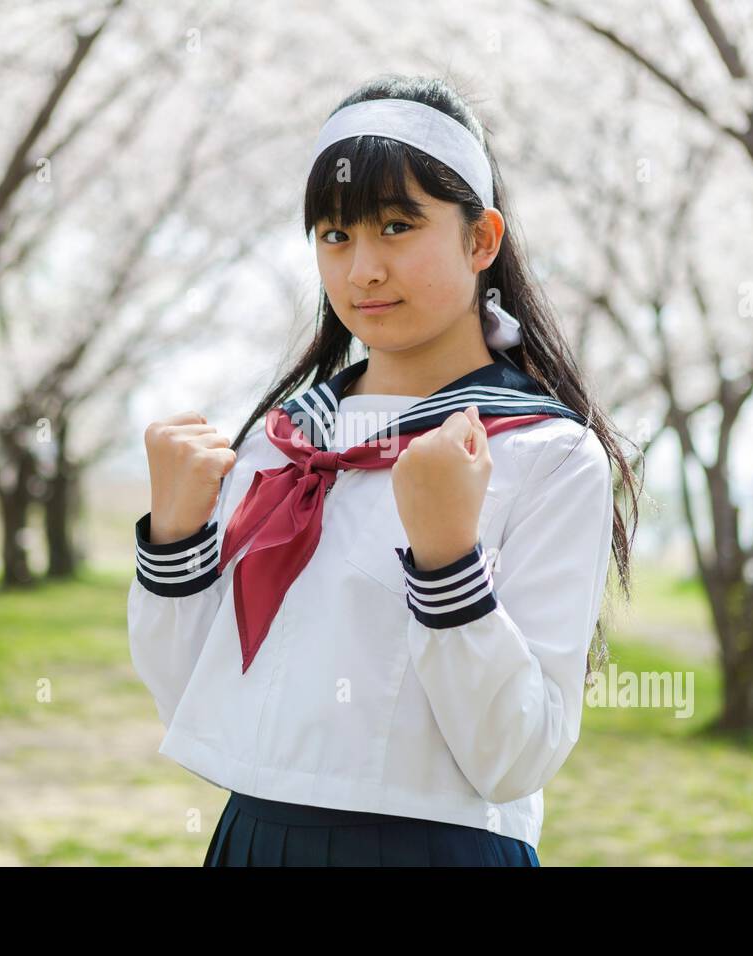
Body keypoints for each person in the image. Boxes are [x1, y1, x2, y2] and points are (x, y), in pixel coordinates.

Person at [128, 74, 639, 866]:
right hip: (255, 841)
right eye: (335, 236)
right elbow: (190, 696)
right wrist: (173, 540)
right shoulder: (281, 445)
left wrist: (446, 562)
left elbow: (514, 757)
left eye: (397, 226)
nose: (362, 269)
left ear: (481, 240)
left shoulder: (545, 454)